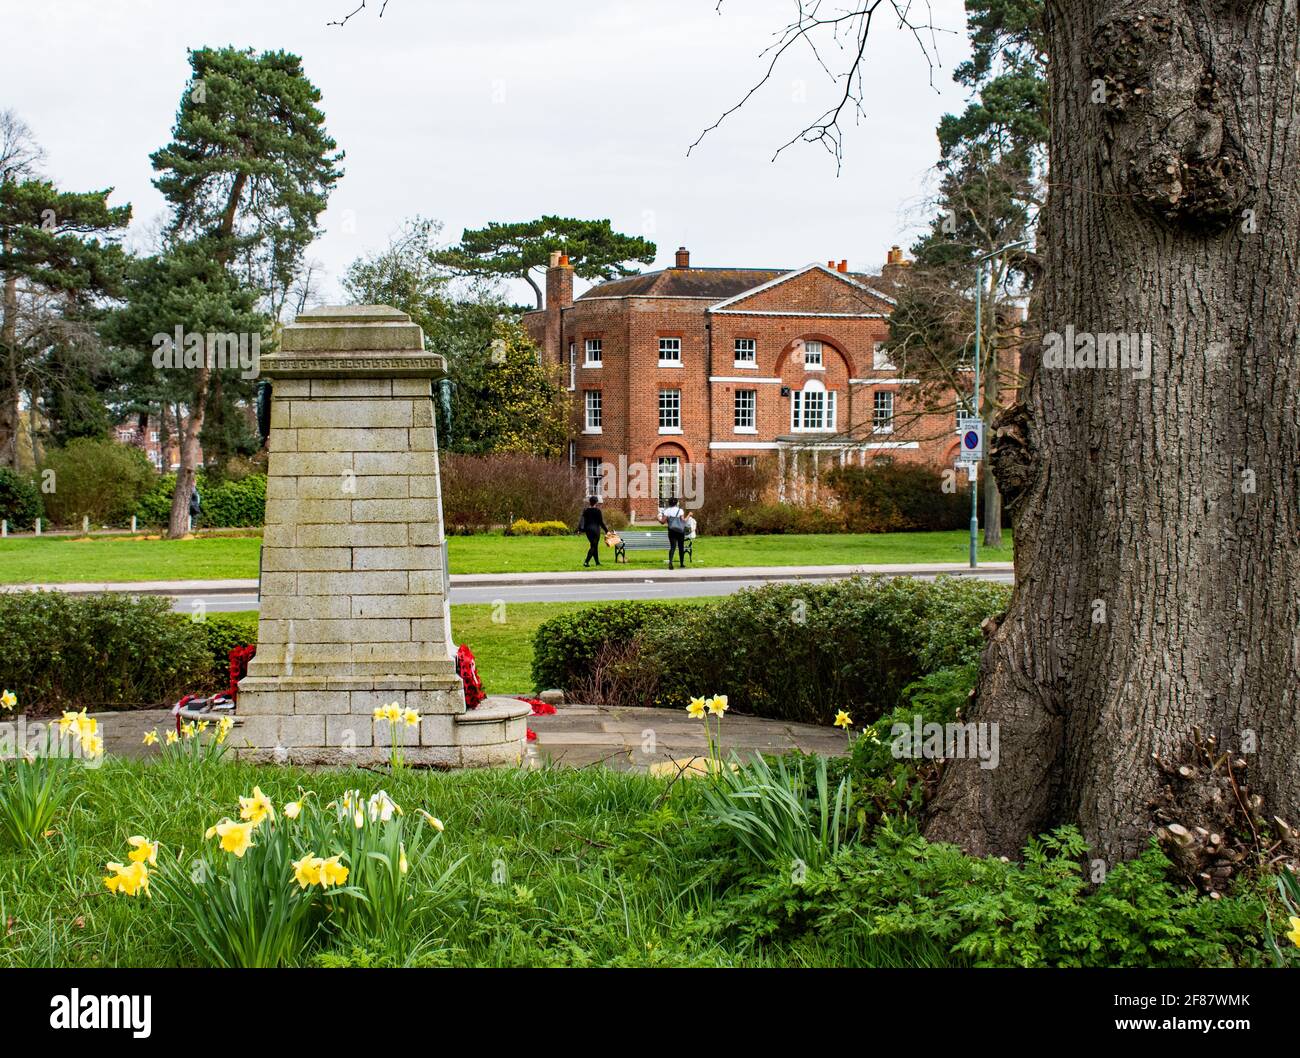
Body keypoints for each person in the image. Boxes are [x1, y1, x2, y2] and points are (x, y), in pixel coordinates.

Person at [578, 496, 608, 567]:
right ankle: (586, 562)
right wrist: (607, 531)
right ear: (596, 502)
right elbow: (601, 522)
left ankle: (597, 562)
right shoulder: (598, 511)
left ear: (589, 502)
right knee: (593, 546)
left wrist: (580, 530)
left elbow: (582, 521)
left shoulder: (586, 510)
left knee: (594, 545)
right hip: (596, 530)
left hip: (588, 531)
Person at [658, 495, 687, 569]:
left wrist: (658, 518)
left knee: (673, 547)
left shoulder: (667, 511)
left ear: (669, 503)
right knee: (681, 547)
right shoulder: (680, 511)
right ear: (676, 503)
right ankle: (682, 564)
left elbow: (662, 522)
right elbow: (683, 520)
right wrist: (689, 515)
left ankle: (670, 563)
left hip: (672, 531)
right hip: (680, 531)